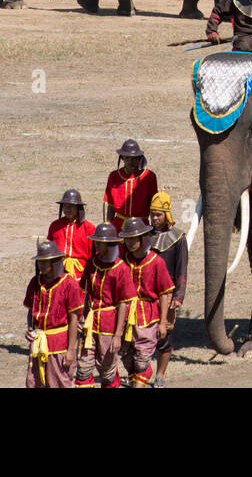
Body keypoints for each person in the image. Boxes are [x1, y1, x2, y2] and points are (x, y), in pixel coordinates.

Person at [117, 217, 174, 388]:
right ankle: (141, 376)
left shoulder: (156, 261)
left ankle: (141, 378)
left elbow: (165, 293)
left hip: (148, 316)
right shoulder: (122, 261)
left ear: (143, 238)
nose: (130, 242)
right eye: (128, 239)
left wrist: (163, 322)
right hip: (126, 316)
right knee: (127, 357)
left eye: (134, 238)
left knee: (142, 359)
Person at [75, 223, 131, 388]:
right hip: (90, 323)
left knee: (107, 370)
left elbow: (123, 303)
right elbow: (87, 295)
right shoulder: (91, 264)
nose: (97, 245)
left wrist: (118, 334)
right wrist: (82, 318)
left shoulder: (121, 269)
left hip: (109, 324)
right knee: (84, 367)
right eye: (96, 242)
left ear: (110, 243)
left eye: (101, 242)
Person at [24, 240, 81, 388]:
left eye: (46, 262)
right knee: (34, 383)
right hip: (38, 344)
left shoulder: (69, 284)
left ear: (55, 262)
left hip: (60, 345)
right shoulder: (34, 283)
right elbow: (31, 311)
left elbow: (74, 319)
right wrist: (30, 329)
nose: (42, 265)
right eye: (40, 262)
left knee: (60, 383)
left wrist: (70, 350)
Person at [149, 193, 187, 387]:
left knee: (164, 337)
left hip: (168, 295)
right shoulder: (144, 236)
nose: (154, 218)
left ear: (166, 214)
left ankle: (160, 374)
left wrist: (178, 296)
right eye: (152, 214)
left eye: (158, 215)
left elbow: (181, 270)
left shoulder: (178, 238)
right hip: (146, 294)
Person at [103, 140, 159, 231]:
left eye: (134, 158)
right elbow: (111, 205)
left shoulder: (149, 177)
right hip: (119, 226)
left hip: (141, 225)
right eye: (127, 158)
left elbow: (153, 205)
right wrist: (108, 226)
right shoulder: (114, 176)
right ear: (122, 158)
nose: (130, 162)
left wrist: (154, 227)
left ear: (139, 158)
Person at [47, 189, 95, 279]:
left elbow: (94, 255)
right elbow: (48, 251)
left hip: (81, 273)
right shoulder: (55, 226)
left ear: (78, 208)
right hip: (58, 271)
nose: (67, 209)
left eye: (71, 206)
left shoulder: (89, 228)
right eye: (65, 206)